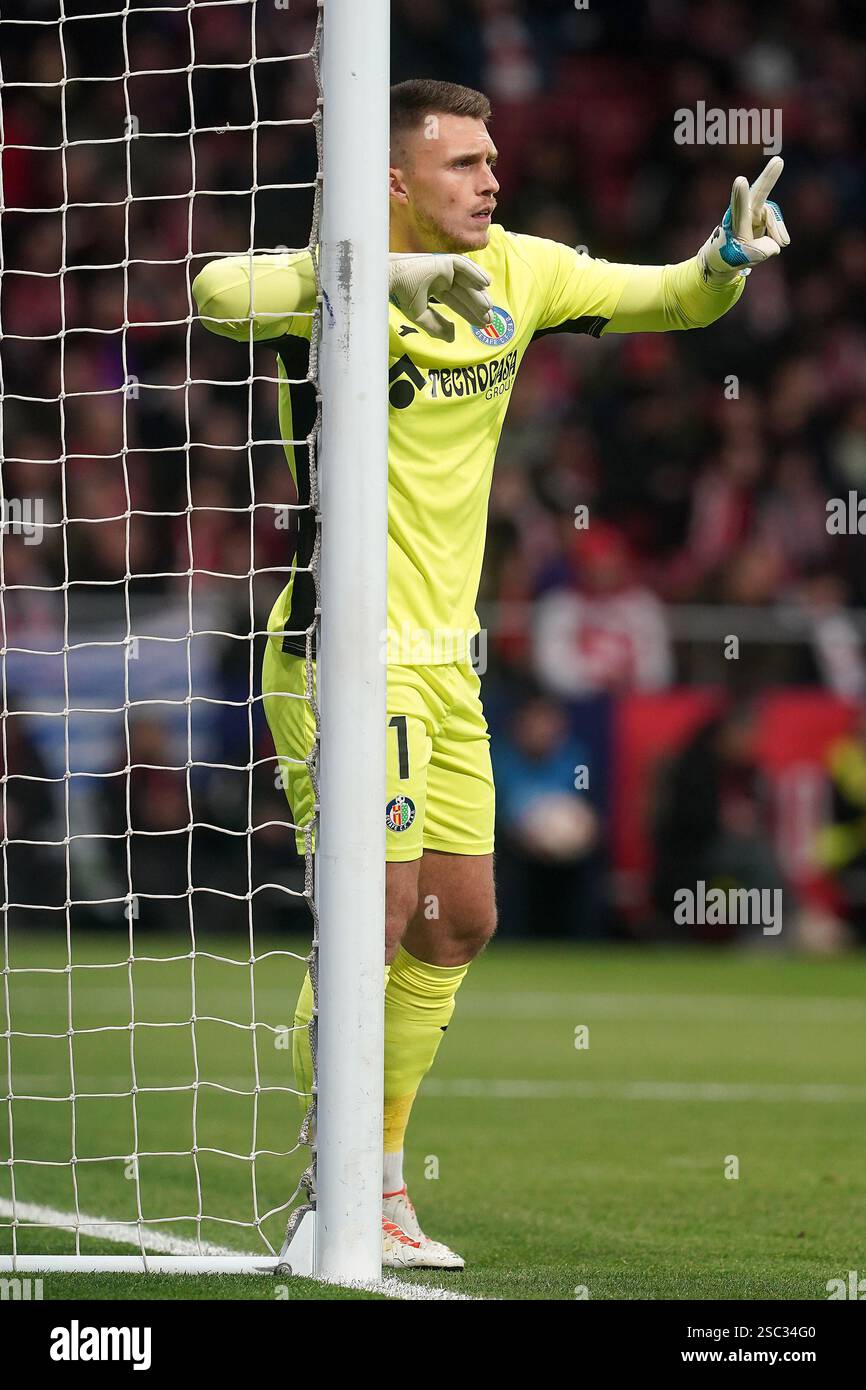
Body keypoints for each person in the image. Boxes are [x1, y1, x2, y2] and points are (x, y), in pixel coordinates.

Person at [191, 78, 790, 1269]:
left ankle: (385, 1179)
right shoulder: (336, 279)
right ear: (396, 182)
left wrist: (724, 257)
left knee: (457, 921)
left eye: (492, 159)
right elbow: (214, 295)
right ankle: (336, 1181)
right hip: (337, 648)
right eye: (461, 164)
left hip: (443, 657)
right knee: (380, 908)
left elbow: (661, 295)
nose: (490, 180)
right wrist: (383, 277)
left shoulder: (516, 270)